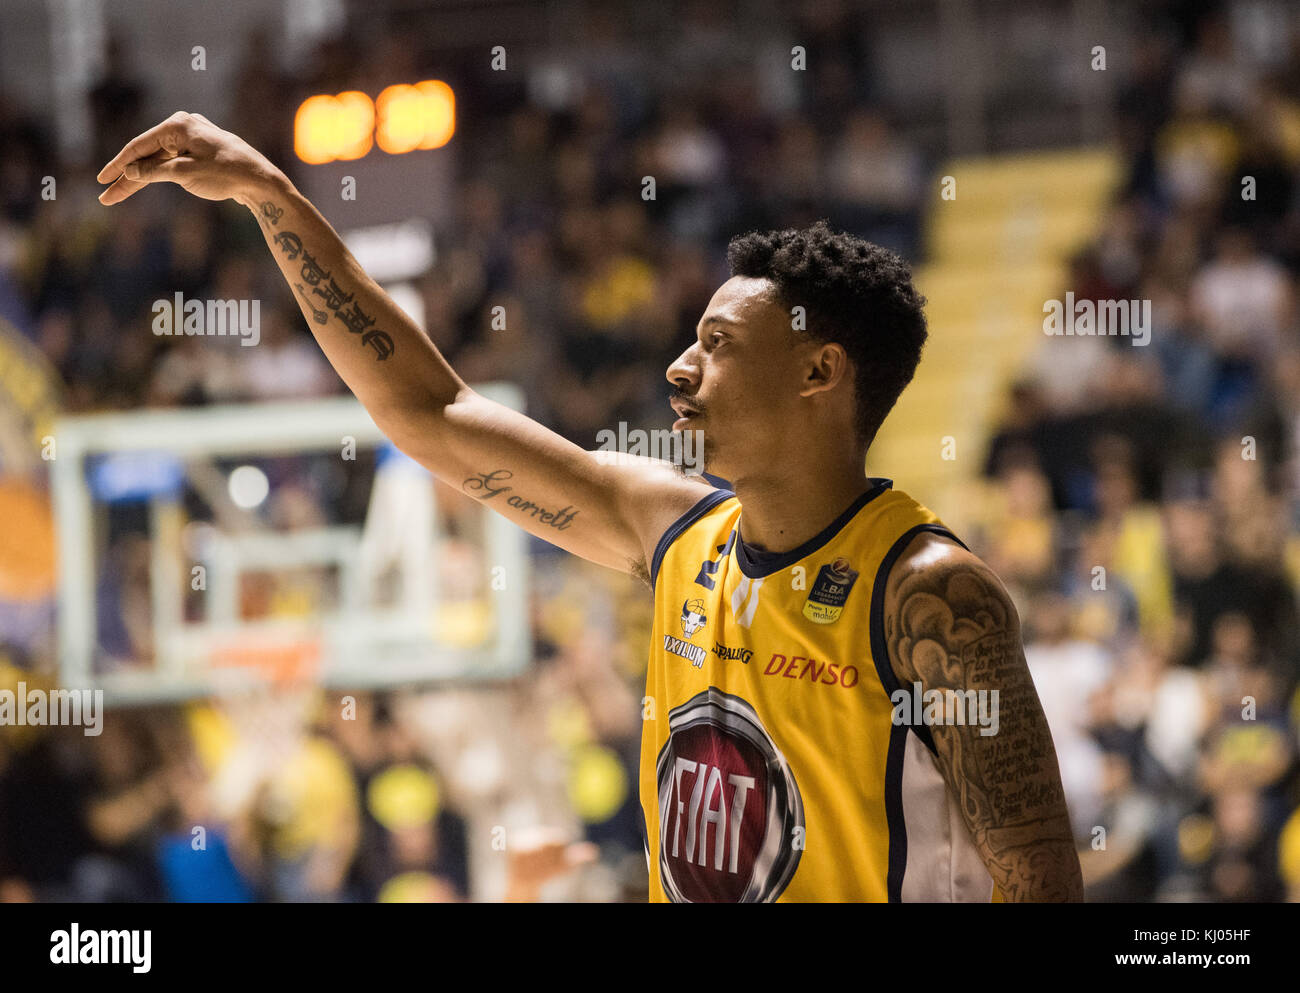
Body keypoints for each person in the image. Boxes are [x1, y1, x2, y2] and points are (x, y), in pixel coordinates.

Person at [97, 112, 1083, 902]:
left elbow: (1039, 882)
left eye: (719, 343)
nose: (679, 365)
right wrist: (272, 198)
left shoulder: (928, 596)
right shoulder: (671, 532)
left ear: (819, 372)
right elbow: (431, 412)